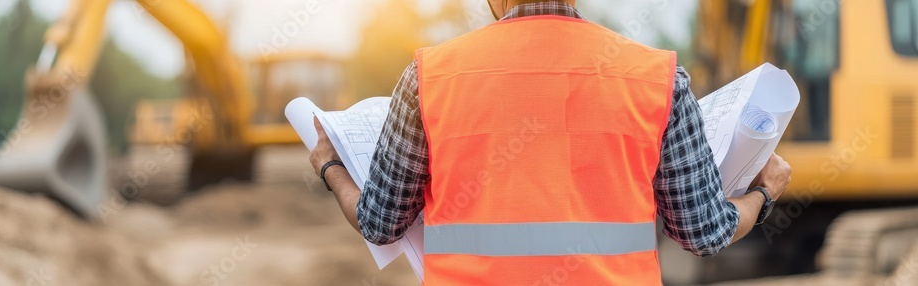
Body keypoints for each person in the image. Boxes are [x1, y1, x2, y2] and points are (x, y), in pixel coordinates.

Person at [308, 0, 793, 284]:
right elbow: (703, 232)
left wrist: (332, 165)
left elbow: (379, 222)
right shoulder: (659, 78)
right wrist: (764, 190)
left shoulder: (429, 76)